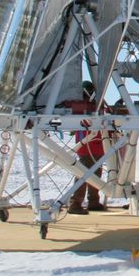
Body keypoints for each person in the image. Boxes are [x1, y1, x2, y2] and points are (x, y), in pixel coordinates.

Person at [59, 80, 111, 215]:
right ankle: (75, 203)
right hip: (87, 146)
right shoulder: (83, 107)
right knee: (83, 175)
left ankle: (93, 201)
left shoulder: (94, 106)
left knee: (95, 175)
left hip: (95, 146)